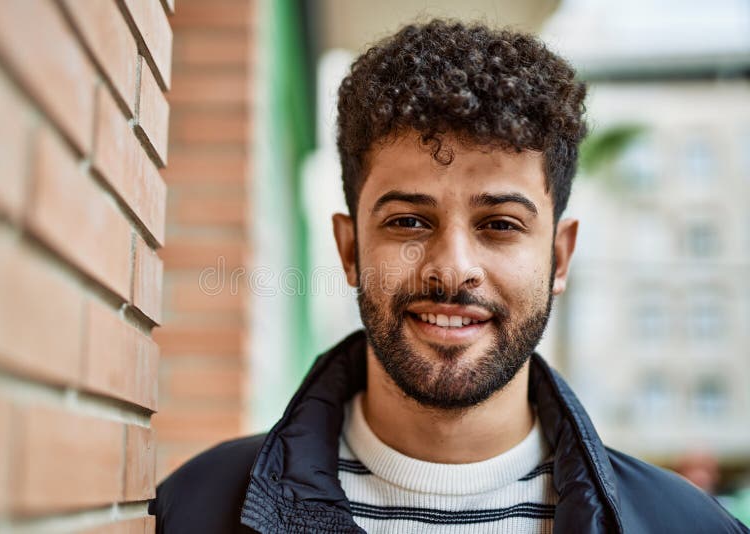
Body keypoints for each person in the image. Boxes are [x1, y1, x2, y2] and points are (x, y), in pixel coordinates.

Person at [150, 19, 748, 533]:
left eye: (501, 224)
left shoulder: (687, 526)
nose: (453, 268)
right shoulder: (194, 510)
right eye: (409, 221)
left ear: (559, 259)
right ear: (350, 248)